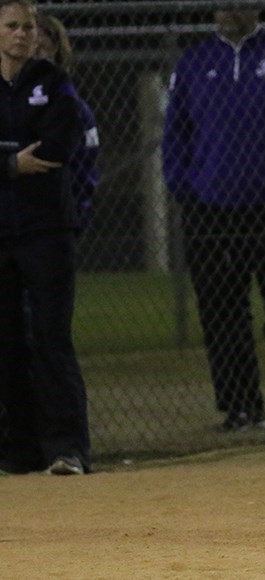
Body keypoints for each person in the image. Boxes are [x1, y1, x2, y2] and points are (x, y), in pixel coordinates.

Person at [162, 9, 265, 442]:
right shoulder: (194, 61)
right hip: (211, 211)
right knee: (221, 312)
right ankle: (240, 407)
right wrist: (185, 187)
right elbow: (175, 131)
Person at [0, 0, 89, 475]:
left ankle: (68, 448)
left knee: (52, 339)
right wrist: (11, 163)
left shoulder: (54, 84)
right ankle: (19, 452)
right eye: (12, 26)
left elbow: (56, 146)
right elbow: (26, 157)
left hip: (46, 230)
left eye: (28, 27)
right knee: (7, 342)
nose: (22, 35)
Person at [34, 12, 98, 235]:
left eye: (42, 49)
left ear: (57, 54)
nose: (35, 56)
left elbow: (84, 171)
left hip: (53, 221)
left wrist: (75, 214)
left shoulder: (73, 108)